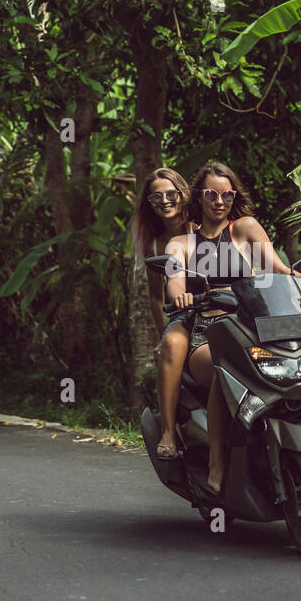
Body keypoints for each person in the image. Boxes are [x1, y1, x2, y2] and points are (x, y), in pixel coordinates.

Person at [164, 161, 301, 494]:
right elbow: (174, 278)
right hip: (207, 331)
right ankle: (216, 463)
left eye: (227, 194)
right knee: (222, 369)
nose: (219, 200)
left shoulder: (245, 228)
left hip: (251, 327)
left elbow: (280, 269)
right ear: (199, 196)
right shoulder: (179, 244)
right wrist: (180, 295)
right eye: (212, 193)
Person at [130, 167, 196, 458]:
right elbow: (157, 297)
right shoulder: (155, 243)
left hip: (223, 306)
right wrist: (162, 334)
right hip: (184, 314)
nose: (165, 201)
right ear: (150, 203)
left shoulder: (200, 227)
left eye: (171, 194)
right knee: (170, 348)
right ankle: (169, 431)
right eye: (157, 197)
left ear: (183, 194)